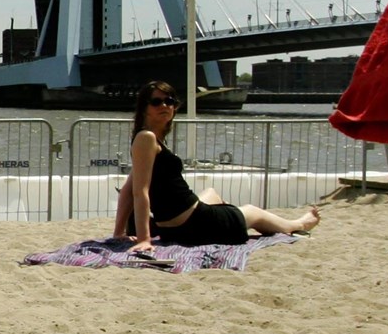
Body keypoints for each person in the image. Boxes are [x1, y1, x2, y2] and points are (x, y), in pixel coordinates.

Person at [114, 81, 320, 250]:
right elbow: (139, 192)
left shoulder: (149, 139)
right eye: (156, 102)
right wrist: (144, 239)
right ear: (144, 109)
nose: (165, 106)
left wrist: (118, 233)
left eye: (169, 101)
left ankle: (229, 218)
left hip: (176, 224)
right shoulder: (146, 138)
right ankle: (298, 224)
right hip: (192, 224)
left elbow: (127, 188)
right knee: (253, 211)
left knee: (212, 193)